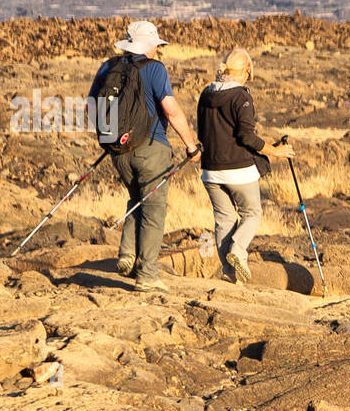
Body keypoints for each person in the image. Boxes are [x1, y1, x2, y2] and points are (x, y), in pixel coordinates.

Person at [89, 20, 199, 292]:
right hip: (152, 150)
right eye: (155, 46)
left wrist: (112, 139)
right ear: (149, 45)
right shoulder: (155, 70)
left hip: (118, 152)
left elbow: (92, 106)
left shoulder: (108, 67)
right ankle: (147, 275)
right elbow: (171, 110)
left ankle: (127, 254)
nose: (157, 51)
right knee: (153, 208)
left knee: (137, 198)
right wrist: (191, 145)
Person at [197, 48, 285, 283]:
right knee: (252, 213)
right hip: (239, 171)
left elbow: (202, 131)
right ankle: (238, 251)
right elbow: (247, 136)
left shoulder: (206, 94)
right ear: (246, 70)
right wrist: (275, 151)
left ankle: (229, 272)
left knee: (224, 220)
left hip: (211, 172)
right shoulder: (241, 97)